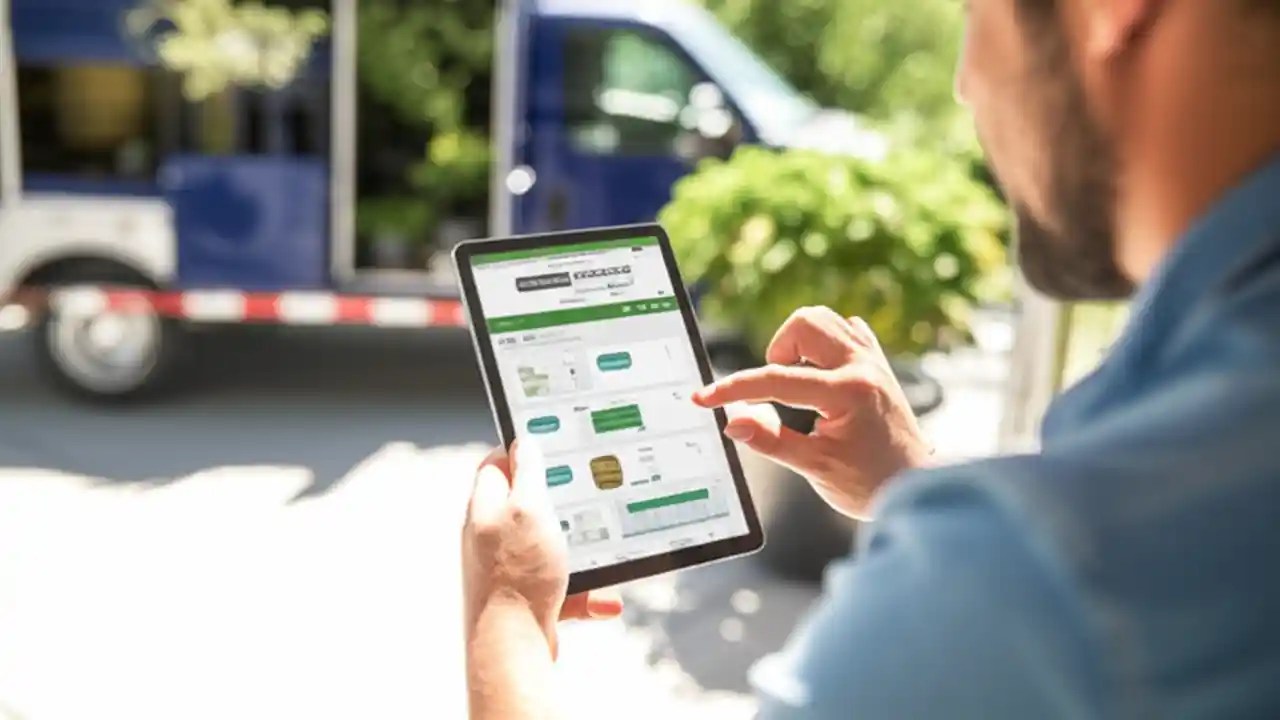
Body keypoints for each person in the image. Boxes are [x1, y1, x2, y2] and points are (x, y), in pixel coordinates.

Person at [460, 0, 1280, 716]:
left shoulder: (1048, 578)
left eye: (973, 13)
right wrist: (911, 481)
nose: (965, 83)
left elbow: (1075, 596)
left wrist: (504, 626)